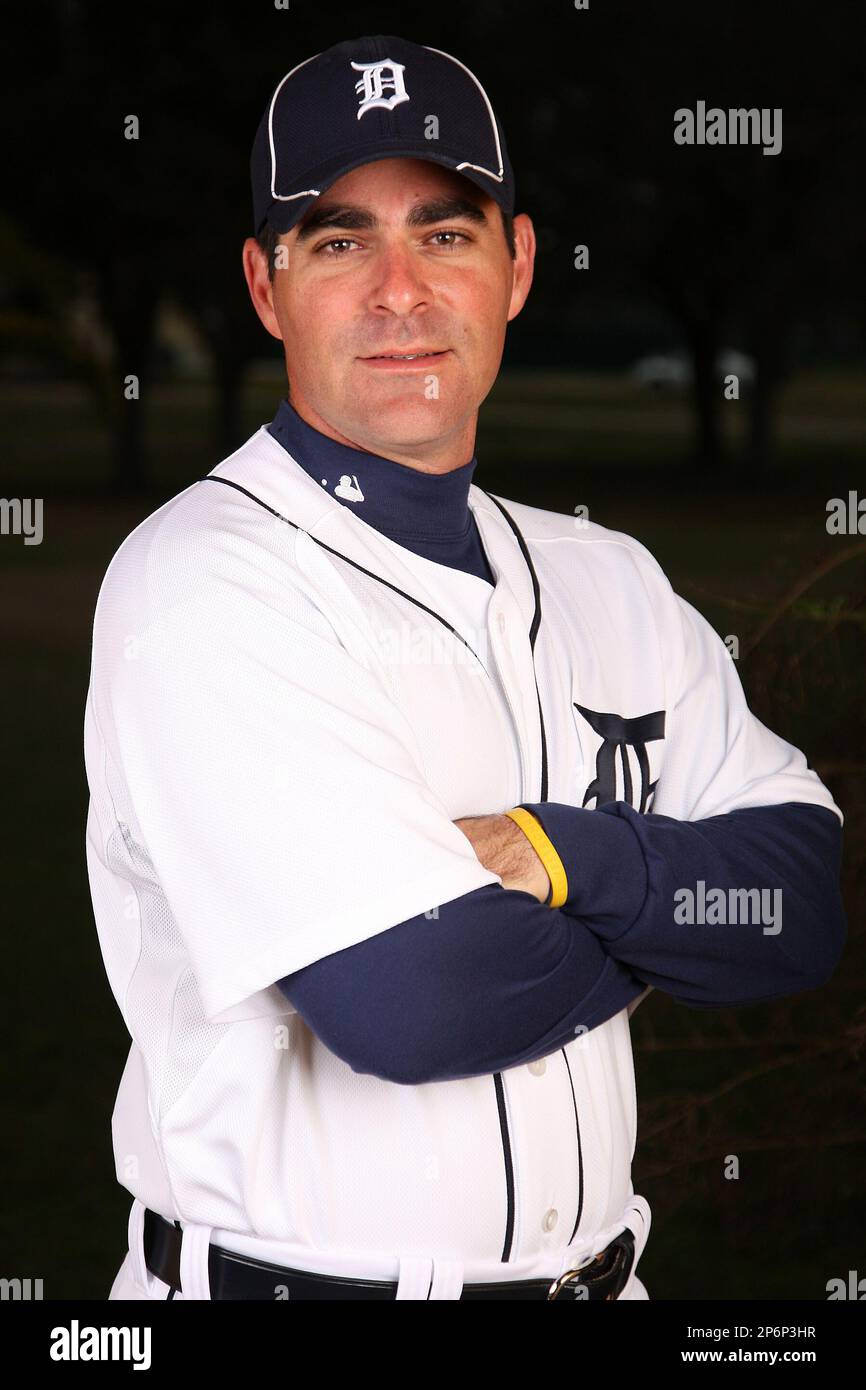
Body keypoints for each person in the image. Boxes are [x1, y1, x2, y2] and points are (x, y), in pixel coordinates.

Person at [85, 33, 846, 1301]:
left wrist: (564, 856)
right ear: (265, 291)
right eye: (337, 241)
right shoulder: (203, 580)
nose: (399, 290)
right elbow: (417, 999)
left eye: (444, 235)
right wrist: (668, 904)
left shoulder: (610, 579)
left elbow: (799, 908)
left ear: (517, 268)